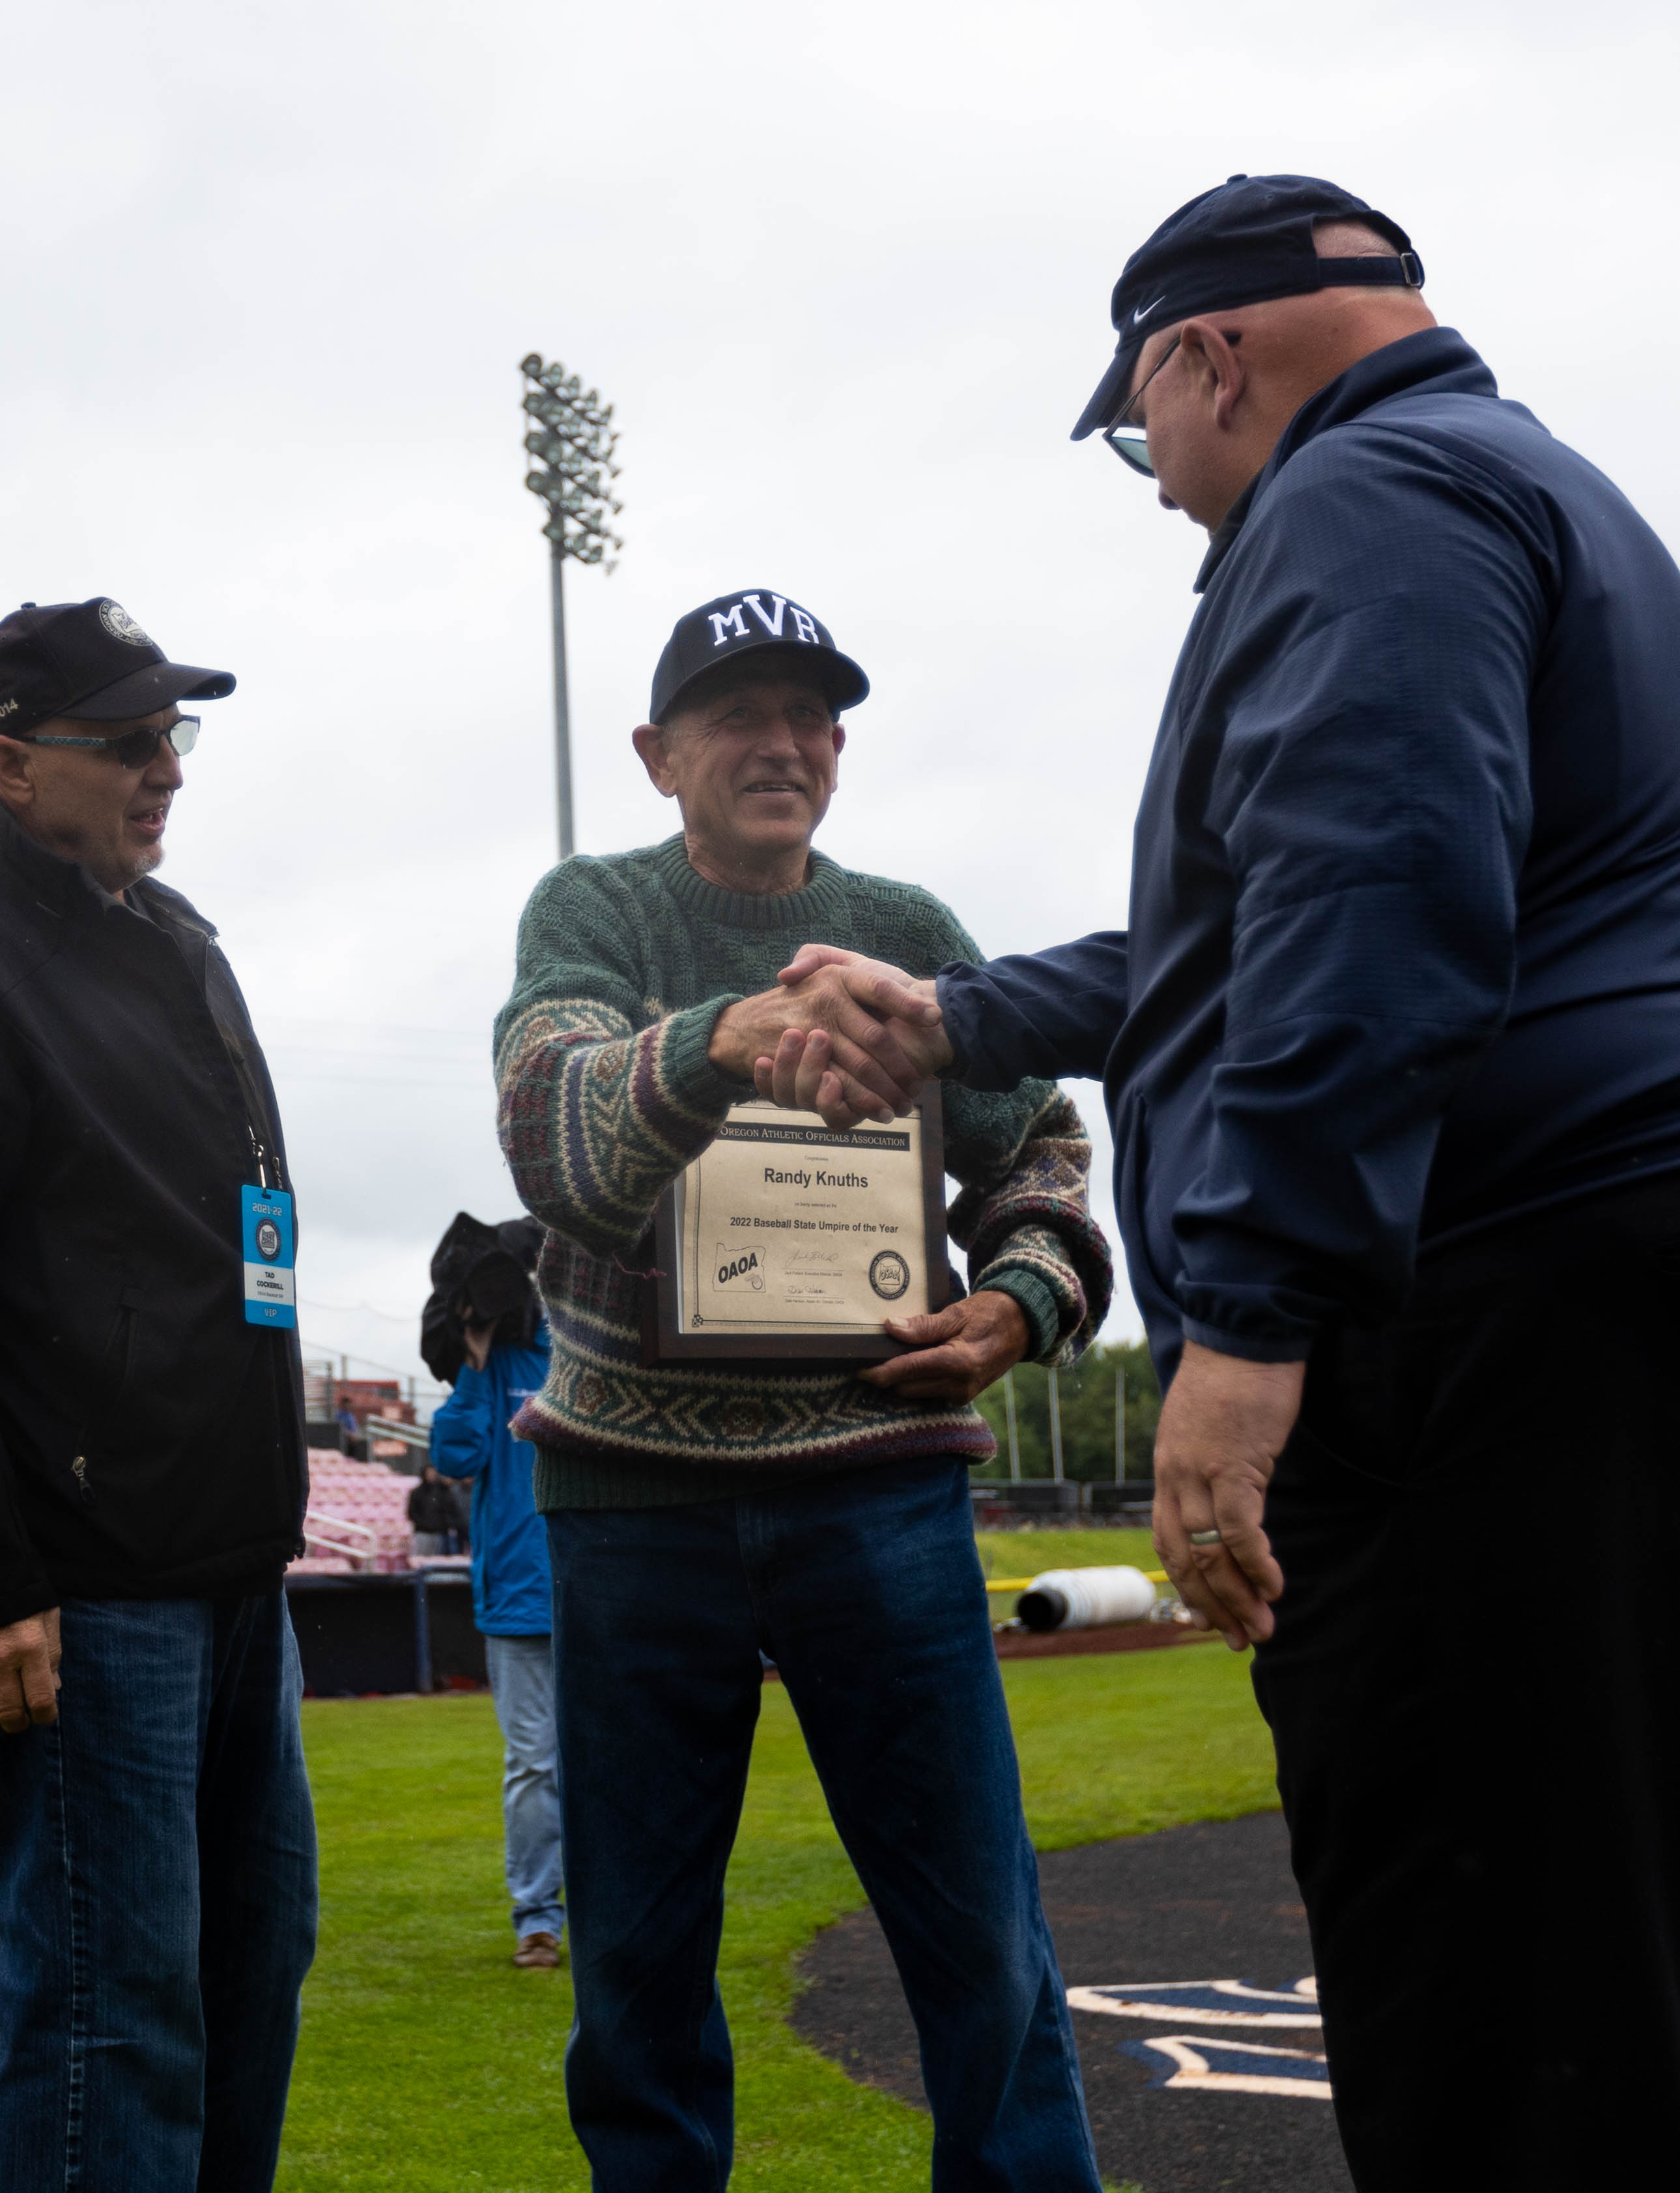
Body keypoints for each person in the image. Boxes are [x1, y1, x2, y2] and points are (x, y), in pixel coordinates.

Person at [786, 175, 1680, 2189]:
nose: (1162, 488)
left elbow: (1375, 904)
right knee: (1582, 1918)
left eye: (1137, 436)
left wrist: (1252, 1316)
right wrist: (953, 1013)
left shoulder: (1364, 495)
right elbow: (1258, 925)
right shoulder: (1523, 482)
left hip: (1478, 1307)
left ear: (1201, 356)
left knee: (1477, 1956)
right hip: (1570, 1293)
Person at [494, 590, 1111, 2189]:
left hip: (879, 1484)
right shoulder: (593, 909)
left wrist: (1016, 1302)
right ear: (657, 755)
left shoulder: (904, 921)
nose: (782, 746)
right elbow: (552, 1138)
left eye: (810, 718)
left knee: (980, 1936)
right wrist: (732, 1033)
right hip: (634, 1499)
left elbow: (1039, 1145)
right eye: (737, 717)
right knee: (634, 1958)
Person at [0, 597, 318, 2193]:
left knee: (252, 1965)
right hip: (96, 1586)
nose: (163, 767)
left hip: (236, 1566)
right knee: (118, 2007)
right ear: (11, 761)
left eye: (172, 733)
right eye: (123, 742)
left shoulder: (177, 940)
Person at [429, 1260, 560, 1970]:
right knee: (535, 1766)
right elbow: (455, 1457)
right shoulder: (495, 1362)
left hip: (602, 1592)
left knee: (610, 1762)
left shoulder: (589, 1350)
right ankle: (538, 1919)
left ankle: (612, 1912)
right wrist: (475, 1364)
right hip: (519, 1598)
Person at [406, 1463, 463, 1555]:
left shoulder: (442, 1492)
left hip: (439, 1533)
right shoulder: (417, 1493)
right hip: (422, 1532)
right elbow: (412, 1512)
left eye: (433, 1473)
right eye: (429, 1473)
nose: (431, 1476)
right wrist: (424, 1523)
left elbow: (449, 1510)